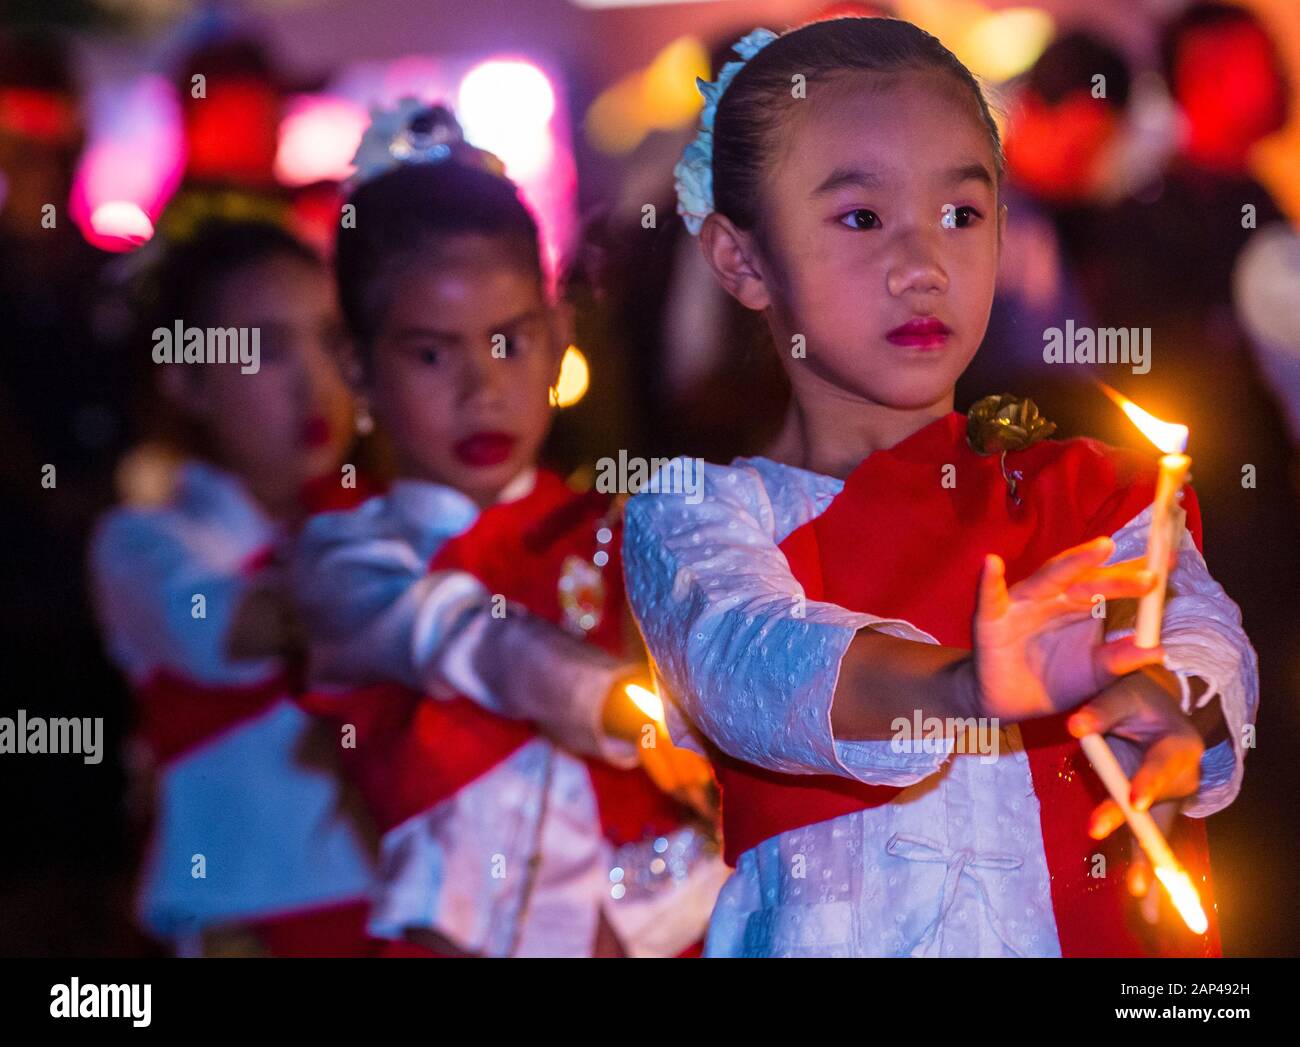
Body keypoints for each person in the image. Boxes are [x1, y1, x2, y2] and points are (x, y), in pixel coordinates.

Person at [623, 17, 1258, 957]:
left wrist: (1174, 703)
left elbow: (1204, 635)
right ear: (741, 259)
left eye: (963, 214)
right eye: (862, 218)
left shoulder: (1087, 490)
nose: (923, 267)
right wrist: (961, 687)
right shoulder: (698, 514)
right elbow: (747, 660)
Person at [292, 103, 727, 957]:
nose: (480, 389)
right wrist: (608, 702)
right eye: (430, 353)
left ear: (558, 335)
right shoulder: (349, 560)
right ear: (355, 365)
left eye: (507, 342)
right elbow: (465, 634)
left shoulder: (614, 533)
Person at [90, 217, 377, 956]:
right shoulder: (145, 541)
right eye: (268, 349)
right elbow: (228, 631)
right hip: (247, 920)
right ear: (185, 378)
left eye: (329, 339)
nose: (314, 382)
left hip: (395, 903)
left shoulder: (379, 518)